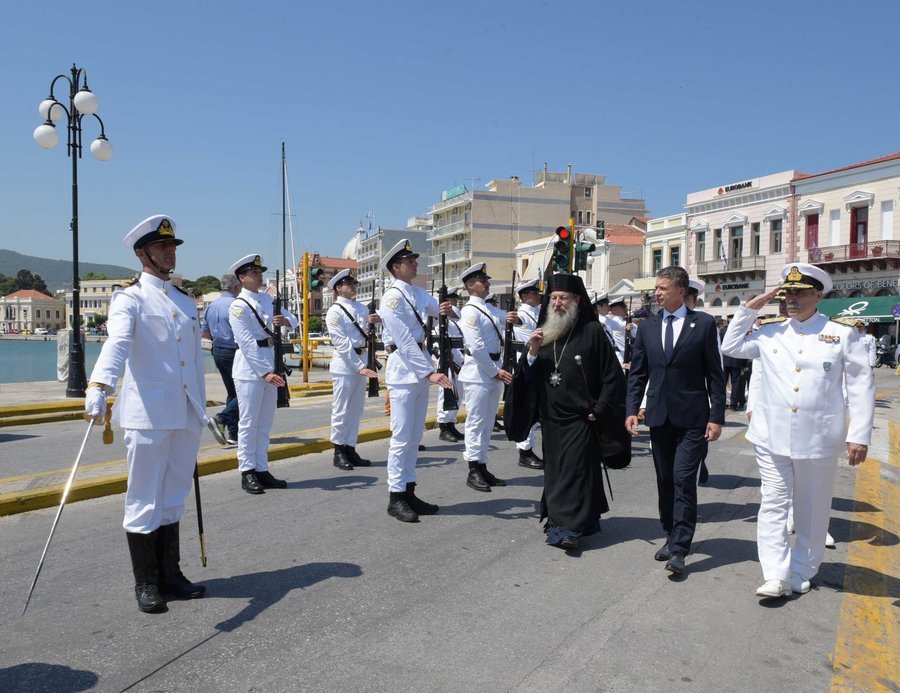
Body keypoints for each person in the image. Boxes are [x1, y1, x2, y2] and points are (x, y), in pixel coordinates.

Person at [721, 263, 874, 598]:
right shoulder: (770, 332)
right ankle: (774, 574)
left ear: (818, 295)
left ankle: (803, 568)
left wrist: (859, 435)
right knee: (773, 503)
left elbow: (862, 385)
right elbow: (729, 346)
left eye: (800, 292)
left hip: (818, 437)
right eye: (788, 292)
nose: (792, 299)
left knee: (812, 508)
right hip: (771, 436)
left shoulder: (842, 333)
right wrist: (752, 306)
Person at [84, 214, 207, 613]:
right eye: (162, 247)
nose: (170, 252)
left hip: (186, 413)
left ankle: (170, 573)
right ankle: (147, 582)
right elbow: (117, 343)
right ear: (143, 254)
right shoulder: (129, 298)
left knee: (173, 496)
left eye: (172, 246)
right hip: (148, 414)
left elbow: (190, 359)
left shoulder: (185, 301)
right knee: (143, 499)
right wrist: (100, 385)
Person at [506, 273, 628, 551]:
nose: (558, 302)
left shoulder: (592, 332)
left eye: (563, 298)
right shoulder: (544, 332)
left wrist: (600, 408)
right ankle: (560, 521)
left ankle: (569, 528)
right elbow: (528, 377)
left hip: (580, 418)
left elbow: (612, 376)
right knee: (556, 472)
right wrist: (533, 352)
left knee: (575, 472)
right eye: (554, 298)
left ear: (576, 301)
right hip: (551, 418)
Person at [625, 266, 725, 575]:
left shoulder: (704, 325)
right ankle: (670, 532)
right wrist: (631, 409)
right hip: (659, 416)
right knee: (665, 479)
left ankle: (680, 546)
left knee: (684, 478)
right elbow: (638, 373)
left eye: (663, 288)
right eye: (656, 288)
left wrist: (716, 416)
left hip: (693, 417)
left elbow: (715, 376)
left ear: (681, 292)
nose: (657, 293)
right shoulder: (648, 329)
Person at [378, 239, 453, 522]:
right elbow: (405, 342)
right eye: (410, 261)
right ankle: (395, 496)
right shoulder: (391, 298)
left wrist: (448, 310)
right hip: (404, 370)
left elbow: (440, 311)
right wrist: (429, 372)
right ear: (396, 267)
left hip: (419, 369)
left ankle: (409, 490)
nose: (416, 264)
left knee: (414, 436)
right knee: (401, 437)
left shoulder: (419, 293)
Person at [228, 254, 297, 495]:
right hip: (250, 369)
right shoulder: (238, 306)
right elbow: (246, 342)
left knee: (265, 422)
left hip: (271, 360)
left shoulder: (268, 300)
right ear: (242, 277)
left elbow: (294, 320)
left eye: (260, 272)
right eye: (254, 273)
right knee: (248, 423)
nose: (259, 276)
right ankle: (247, 471)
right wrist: (265, 372)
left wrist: (285, 320)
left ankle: (261, 468)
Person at [457, 263, 516, 491]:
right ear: (471, 286)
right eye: (483, 281)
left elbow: (506, 318)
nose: (488, 283)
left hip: (491, 370)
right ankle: (473, 469)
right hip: (479, 372)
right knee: (476, 422)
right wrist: (495, 370)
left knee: (488, 422)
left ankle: (482, 466)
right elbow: (476, 346)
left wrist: (514, 317)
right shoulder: (470, 311)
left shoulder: (488, 309)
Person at [324, 269, 379, 470]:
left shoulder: (361, 308)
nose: (354, 286)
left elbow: (368, 330)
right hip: (345, 365)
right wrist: (359, 367)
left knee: (356, 410)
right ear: (339, 288)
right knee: (341, 410)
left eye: (354, 283)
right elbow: (341, 342)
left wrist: (375, 320)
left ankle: (350, 447)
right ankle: (338, 450)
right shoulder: (335, 311)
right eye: (349, 284)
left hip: (362, 361)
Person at [201, 275, 241, 445]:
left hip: (217, 350)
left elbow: (205, 333)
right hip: (234, 351)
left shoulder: (212, 306)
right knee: (245, 393)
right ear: (236, 288)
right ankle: (222, 419)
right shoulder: (236, 305)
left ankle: (233, 433)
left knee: (233, 393)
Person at [512, 279, 544, 469]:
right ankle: (525, 451)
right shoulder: (522, 316)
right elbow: (529, 341)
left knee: (537, 409)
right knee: (528, 408)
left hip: (539, 364)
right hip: (527, 365)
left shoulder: (538, 313)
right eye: (534, 292)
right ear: (524, 296)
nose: (538, 295)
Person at [435, 286, 466, 443]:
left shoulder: (456, 317)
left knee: (458, 394)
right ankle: (444, 427)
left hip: (460, 359)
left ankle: (451, 423)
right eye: (451, 299)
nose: (453, 302)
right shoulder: (438, 320)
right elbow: (435, 342)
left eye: (455, 299)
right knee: (445, 393)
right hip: (448, 360)